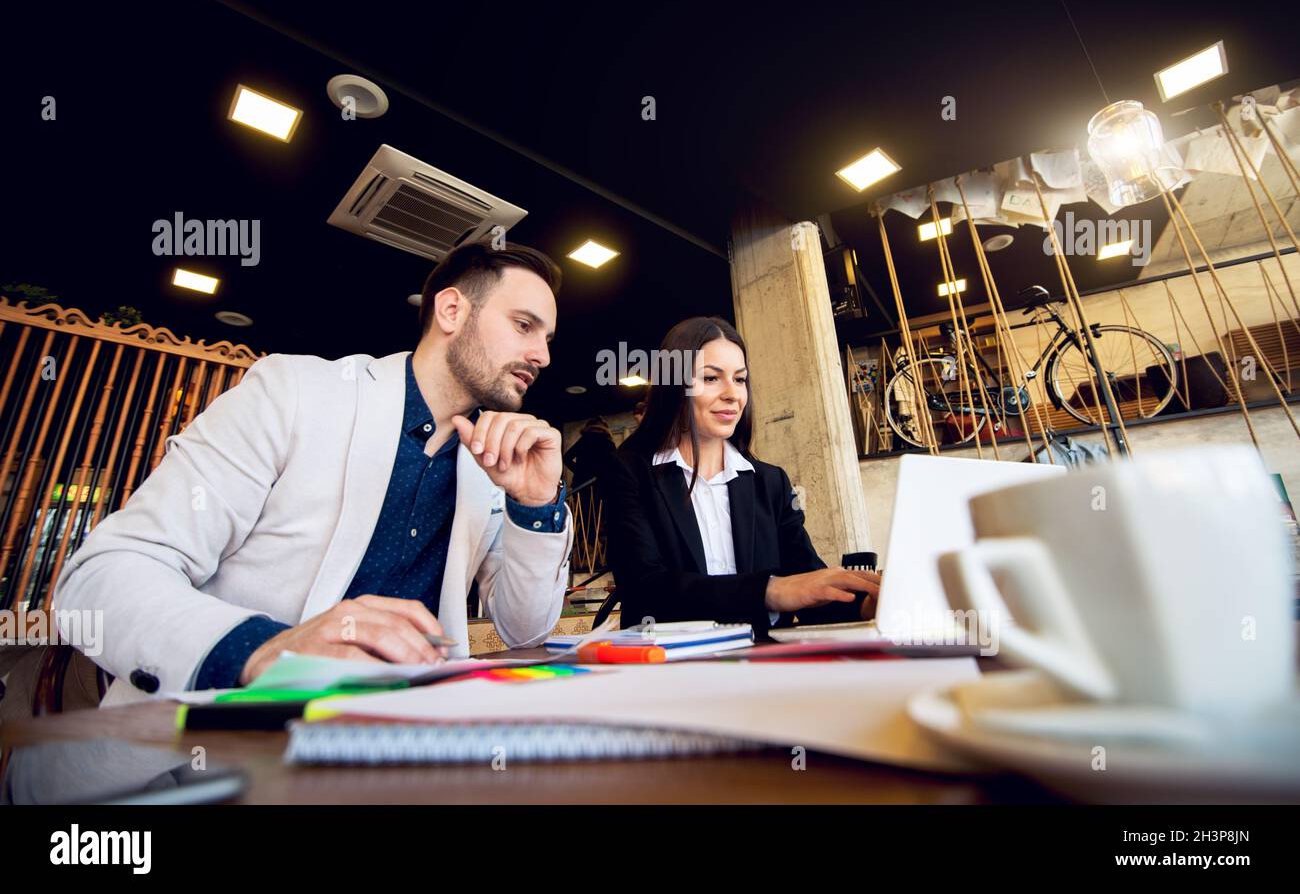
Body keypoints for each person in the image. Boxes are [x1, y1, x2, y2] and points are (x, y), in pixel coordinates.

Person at [55, 240, 573, 704]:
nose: (542, 355)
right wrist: (264, 652)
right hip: (214, 749)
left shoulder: (494, 466)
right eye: (524, 326)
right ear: (452, 310)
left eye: (547, 337)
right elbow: (102, 576)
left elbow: (524, 628)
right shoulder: (293, 393)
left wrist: (535, 504)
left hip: (408, 748)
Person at [601, 316, 881, 635]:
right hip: (670, 670)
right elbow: (646, 590)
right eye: (710, 378)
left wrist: (866, 603)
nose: (732, 394)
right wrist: (770, 591)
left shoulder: (771, 483)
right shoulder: (629, 473)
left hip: (760, 671)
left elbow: (807, 584)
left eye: (739, 379)